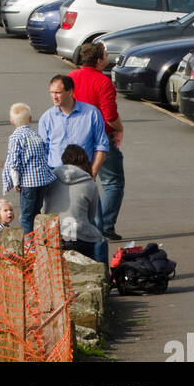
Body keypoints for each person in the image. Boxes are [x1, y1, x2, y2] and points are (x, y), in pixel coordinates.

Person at [71, 42, 125, 241]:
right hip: (100, 139)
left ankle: (86, 224)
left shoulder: (71, 78)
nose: (108, 57)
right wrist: (119, 129)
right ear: (99, 60)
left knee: (81, 182)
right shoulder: (103, 82)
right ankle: (105, 226)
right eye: (106, 55)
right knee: (112, 182)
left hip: (76, 139)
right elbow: (109, 116)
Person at [0, 102, 56, 236]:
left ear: (12, 121)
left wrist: (15, 182)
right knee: (37, 212)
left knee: (26, 215)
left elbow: (14, 162)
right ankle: (37, 239)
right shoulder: (36, 135)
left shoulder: (16, 137)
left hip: (28, 182)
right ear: (30, 119)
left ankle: (28, 243)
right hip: (42, 180)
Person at [38, 75, 109, 177]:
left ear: (70, 92)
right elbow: (42, 150)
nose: (54, 96)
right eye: (52, 92)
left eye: (58, 92)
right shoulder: (46, 118)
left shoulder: (92, 113)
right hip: (55, 174)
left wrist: (93, 172)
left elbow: (102, 145)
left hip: (83, 173)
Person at [43, 145, 104, 260]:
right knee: (97, 241)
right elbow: (91, 216)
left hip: (53, 234)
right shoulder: (90, 184)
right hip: (79, 235)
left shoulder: (50, 178)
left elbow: (43, 207)